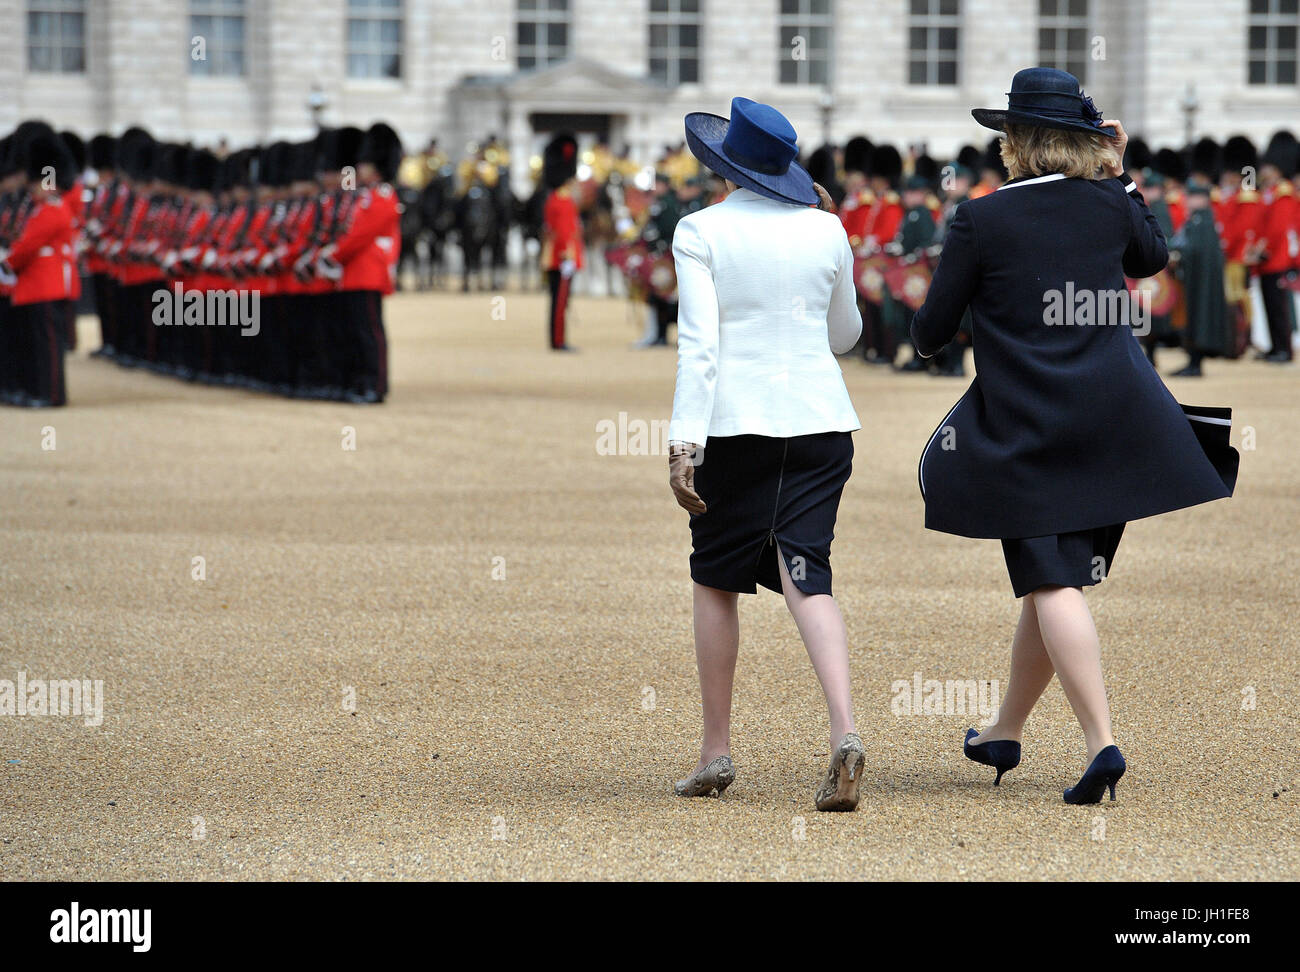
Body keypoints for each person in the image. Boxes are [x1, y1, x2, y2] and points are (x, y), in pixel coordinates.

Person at [912, 69, 1239, 804]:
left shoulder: (981, 219)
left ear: (1016, 142)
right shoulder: (1105, 204)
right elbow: (1152, 259)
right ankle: (1005, 731)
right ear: (1085, 142)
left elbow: (931, 333)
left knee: (1051, 579)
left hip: (1028, 428)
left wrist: (944, 314)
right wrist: (1122, 177)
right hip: (1119, 419)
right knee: (1050, 577)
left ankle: (1103, 743)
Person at [667, 98, 865, 812]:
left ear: (725, 168)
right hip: (820, 422)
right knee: (808, 573)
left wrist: (684, 438)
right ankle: (844, 729)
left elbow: (700, 344)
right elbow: (846, 334)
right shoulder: (828, 229)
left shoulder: (700, 230)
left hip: (736, 426)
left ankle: (715, 748)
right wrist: (829, 233)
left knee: (717, 577)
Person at [1169, 179, 1232, 376]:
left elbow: (1194, 249)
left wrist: (1179, 254)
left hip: (1199, 282)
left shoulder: (1202, 221)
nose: (1187, 200)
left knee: (1198, 319)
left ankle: (1195, 363)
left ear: (1202, 199)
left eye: (1191, 196)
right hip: (1192, 279)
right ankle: (1192, 360)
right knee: (1192, 319)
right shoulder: (1197, 219)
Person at [539, 133, 583, 352]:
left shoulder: (555, 198)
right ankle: (558, 341)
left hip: (557, 255)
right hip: (562, 257)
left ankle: (558, 339)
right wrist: (567, 257)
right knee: (560, 301)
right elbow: (565, 232)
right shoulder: (563, 201)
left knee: (559, 300)